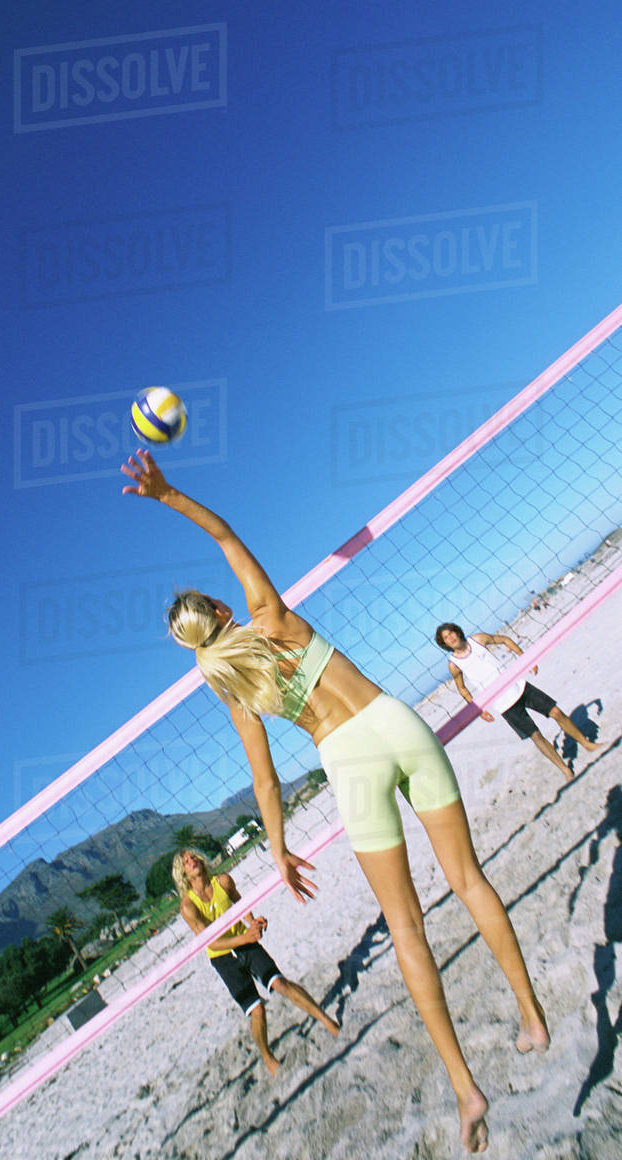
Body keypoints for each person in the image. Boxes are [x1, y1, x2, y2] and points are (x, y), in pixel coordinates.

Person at [121, 449, 550, 1155]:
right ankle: (531, 1018)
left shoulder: (232, 685)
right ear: (222, 609)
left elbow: (265, 780)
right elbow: (226, 536)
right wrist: (167, 494)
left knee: (404, 925)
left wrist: (280, 848)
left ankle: (464, 1087)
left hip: (346, 760)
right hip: (393, 722)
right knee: (468, 881)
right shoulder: (268, 615)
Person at [173, 848, 339, 1074]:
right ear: (182, 873)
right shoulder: (187, 906)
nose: (192, 860)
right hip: (223, 958)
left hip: (246, 945)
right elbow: (211, 943)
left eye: (194, 856)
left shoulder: (222, 881)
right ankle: (267, 1057)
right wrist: (245, 936)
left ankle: (327, 1021)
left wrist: (253, 922)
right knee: (257, 1009)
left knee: (281, 984)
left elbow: (241, 904)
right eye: (186, 861)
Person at [434, 623, 600, 784]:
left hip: (518, 686)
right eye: (446, 638)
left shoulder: (477, 640)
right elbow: (462, 689)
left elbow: (505, 640)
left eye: (451, 633)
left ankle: (587, 744)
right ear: (445, 644)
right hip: (502, 704)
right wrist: (478, 710)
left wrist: (525, 658)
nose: (451, 638)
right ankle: (565, 770)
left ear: (457, 632)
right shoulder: (454, 664)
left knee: (556, 712)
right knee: (536, 736)